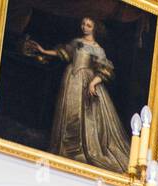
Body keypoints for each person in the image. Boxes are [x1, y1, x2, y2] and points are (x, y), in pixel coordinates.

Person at [29, 18, 133, 174]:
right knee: (69, 112)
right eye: (83, 24)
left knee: (85, 116)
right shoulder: (77, 41)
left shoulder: (97, 49)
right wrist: (44, 51)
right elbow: (62, 52)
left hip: (86, 82)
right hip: (71, 79)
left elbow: (105, 70)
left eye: (89, 25)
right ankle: (65, 148)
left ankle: (79, 150)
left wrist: (93, 83)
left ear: (95, 29)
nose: (85, 27)